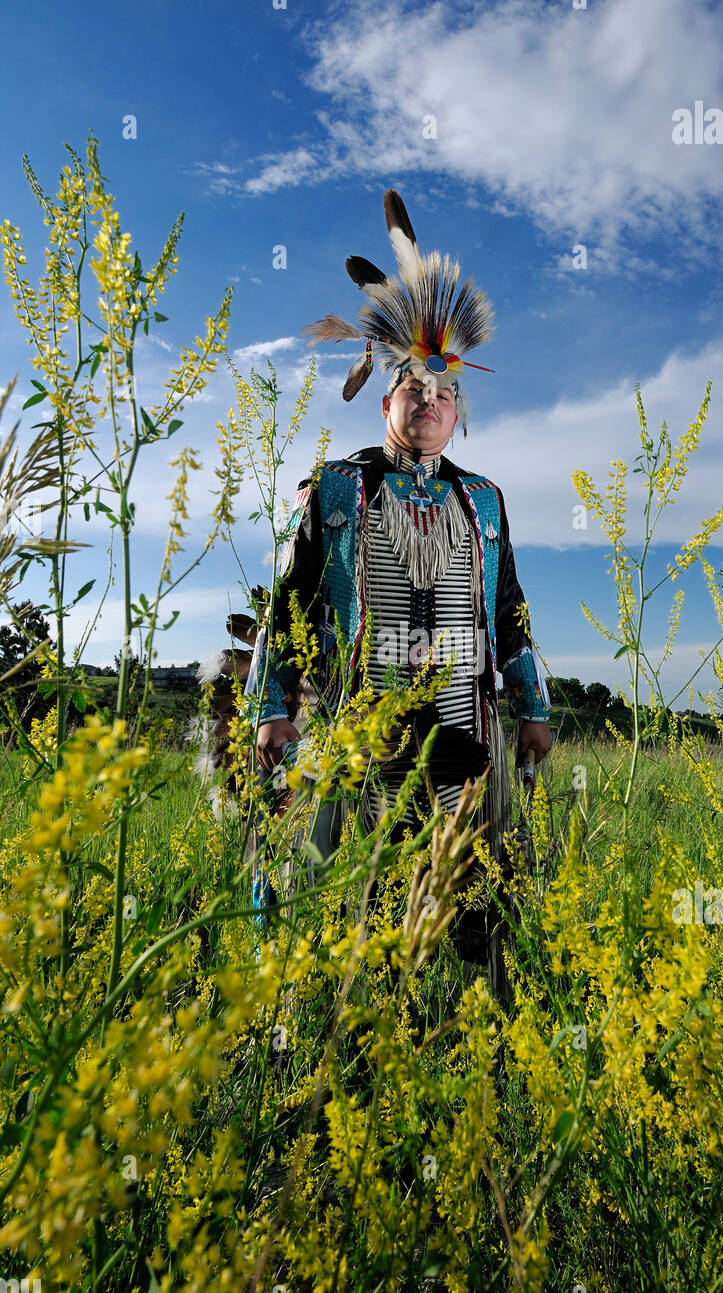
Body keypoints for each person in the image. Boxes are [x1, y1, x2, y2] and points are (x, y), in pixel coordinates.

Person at [243, 190, 552, 990]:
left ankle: (471, 1058)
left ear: (458, 413)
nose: (429, 401)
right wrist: (272, 711)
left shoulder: (482, 499)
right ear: (387, 400)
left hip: (463, 728)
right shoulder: (338, 490)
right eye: (414, 387)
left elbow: (510, 613)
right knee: (362, 911)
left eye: (444, 393)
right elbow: (290, 608)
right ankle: (346, 1055)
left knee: (471, 908)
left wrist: (536, 710)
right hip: (362, 735)